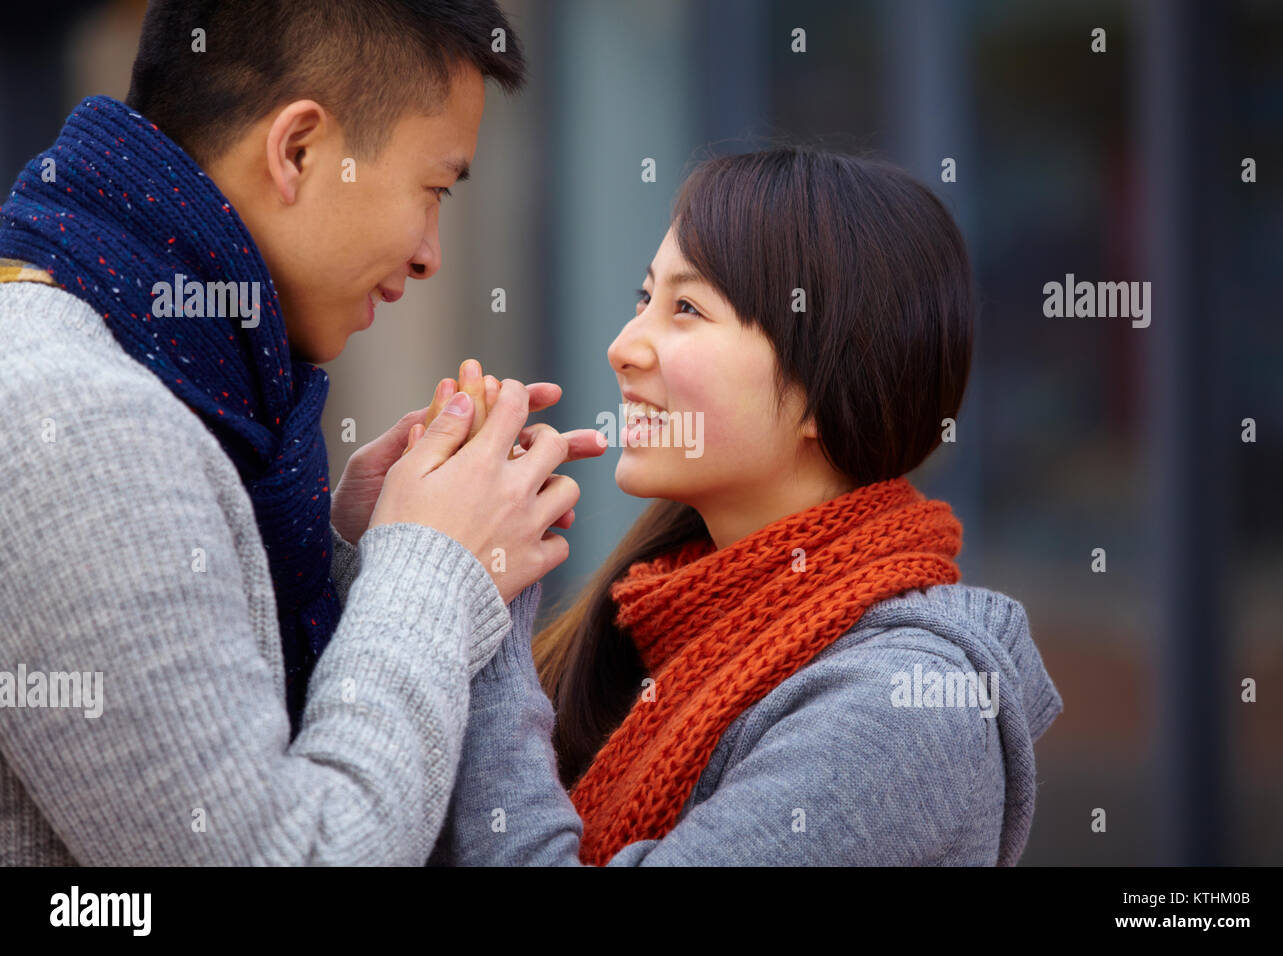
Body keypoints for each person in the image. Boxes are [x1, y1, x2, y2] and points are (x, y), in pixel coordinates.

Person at [0, 0, 603, 865]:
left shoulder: (116, 358)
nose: (432, 252)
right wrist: (432, 565)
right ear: (298, 151)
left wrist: (356, 554)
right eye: (433, 189)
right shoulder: (89, 435)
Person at [429, 147, 1065, 866]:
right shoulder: (663, 624)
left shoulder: (908, 708)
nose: (623, 347)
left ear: (832, 387)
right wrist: (393, 542)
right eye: (645, 300)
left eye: (688, 308)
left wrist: (484, 598)